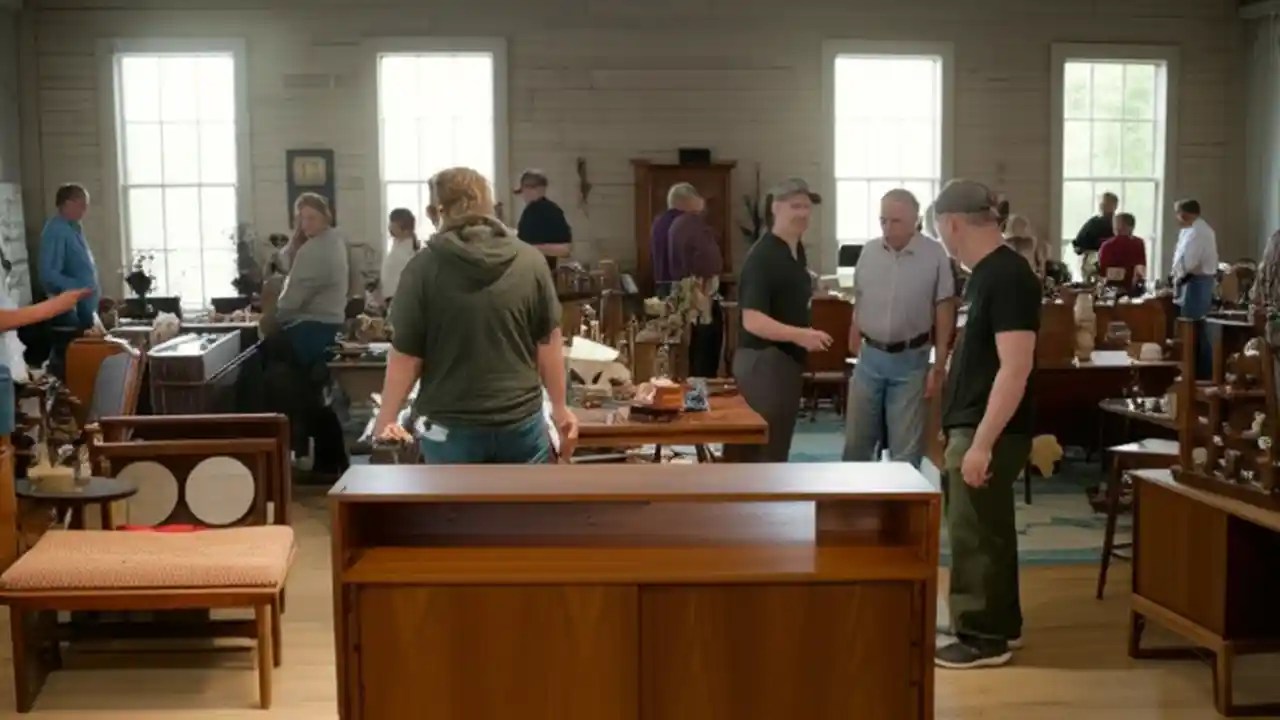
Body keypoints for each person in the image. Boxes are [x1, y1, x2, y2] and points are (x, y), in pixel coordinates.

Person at [373, 166, 577, 464]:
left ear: (437, 211)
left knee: (453, 512)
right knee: (526, 511)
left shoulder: (422, 268)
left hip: (448, 426)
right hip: (519, 421)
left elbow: (407, 355)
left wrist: (387, 416)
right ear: (489, 207)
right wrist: (560, 407)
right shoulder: (529, 261)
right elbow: (548, 340)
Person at [932, 179, 1040, 670]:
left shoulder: (1007, 276)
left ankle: (982, 636)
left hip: (988, 428)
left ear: (952, 224)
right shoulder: (984, 276)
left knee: (975, 533)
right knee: (985, 528)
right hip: (972, 422)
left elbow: (1015, 366)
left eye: (939, 232)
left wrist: (981, 443)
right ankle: (1000, 622)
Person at [843, 189, 955, 468]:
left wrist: (939, 364)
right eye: (883, 221)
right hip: (869, 358)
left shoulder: (934, 254)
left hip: (911, 362)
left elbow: (944, 308)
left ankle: (901, 511)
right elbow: (861, 296)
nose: (887, 228)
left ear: (915, 220)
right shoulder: (869, 252)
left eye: (896, 221)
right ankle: (851, 509)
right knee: (856, 445)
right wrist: (854, 329)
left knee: (905, 451)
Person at [726, 177, 831, 463]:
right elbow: (753, 319)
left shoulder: (795, 251)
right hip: (764, 363)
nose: (803, 213)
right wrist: (801, 335)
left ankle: (765, 505)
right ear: (775, 208)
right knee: (759, 449)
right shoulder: (763, 256)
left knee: (777, 446)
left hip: (784, 362)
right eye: (795, 206)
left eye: (807, 207)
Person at [39, 183, 100, 378]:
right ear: (67, 204)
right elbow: (48, 274)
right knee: (70, 367)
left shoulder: (74, 228)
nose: (85, 210)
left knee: (82, 365)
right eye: (81, 204)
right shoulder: (56, 231)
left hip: (83, 312)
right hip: (68, 313)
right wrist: (80, 290)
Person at [668, 184, 724, 378]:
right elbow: (709, 261)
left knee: (698, 347)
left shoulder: (677, 224)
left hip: (688, 291)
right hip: (699, 293)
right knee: (705, 348)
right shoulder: (690, 224)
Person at [1171, 199, 1219, 380]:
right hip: (1189, 282)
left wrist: (1180, 276)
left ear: (1184, 213)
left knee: (1195, 328)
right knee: (1190, 327)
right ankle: (1193, 370)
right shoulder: (1190, 231)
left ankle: (1202, 374)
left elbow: (1190, 262)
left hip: (1196, 282)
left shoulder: (1200, 232)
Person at [514, 169, 572, 269]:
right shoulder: (529, 212)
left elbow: (564, 249)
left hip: (540, 275)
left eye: (523, 191)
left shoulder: (551, 212)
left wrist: (528, 248)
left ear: (530, 189)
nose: (523, 196)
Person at [652, 183, 699, 296]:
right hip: (683, 289)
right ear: (685, 202)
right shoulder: (685, 223)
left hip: (661, 286)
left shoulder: (658, 222)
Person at [1097, 212, 1147, 295]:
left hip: (1110, 288)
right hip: (1131, 288)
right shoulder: (1138, 243)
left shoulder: (1107, 245)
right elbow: (1141, 269)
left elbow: (1102, 271)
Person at [1072, 192, 1119, 280]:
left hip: (1114, 263)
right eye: (1101, 204)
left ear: (1115, 206)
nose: (1102, 206)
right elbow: (1079, 243)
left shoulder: (1119, 223)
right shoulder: (1093, 223)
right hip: (1093, 262)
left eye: (1106, 204)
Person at [380, 207, 420, 306]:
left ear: (405, 229)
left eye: (393, 224)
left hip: (400, 301)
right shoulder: (397, 245)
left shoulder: (408, 253)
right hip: (390, 300)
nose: (390, 228)